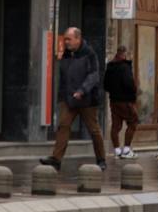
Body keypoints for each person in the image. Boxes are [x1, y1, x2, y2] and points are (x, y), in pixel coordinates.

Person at [41, 27, 107, 169]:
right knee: (63, 126)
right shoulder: (66, 54)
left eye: (69, 39)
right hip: (68, 98)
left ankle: (101, 159)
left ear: (78, 38)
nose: (66, 42)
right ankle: (56, 159)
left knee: (94, 130)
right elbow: (63, 78)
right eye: (65, 39)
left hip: (87, 99)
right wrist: (61, 97)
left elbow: (94, 76)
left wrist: (82, 90)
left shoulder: (89, 53)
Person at [105, 45, 139, 158]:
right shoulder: (124, 67)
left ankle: (117, 150)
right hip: (125, 101)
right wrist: (134, 91)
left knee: (116, 126)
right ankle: (127, 150)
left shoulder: (109, 67)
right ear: (124, 54)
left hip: (114, 101)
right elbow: (129, 84)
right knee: (133, 122)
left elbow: (105, 85)